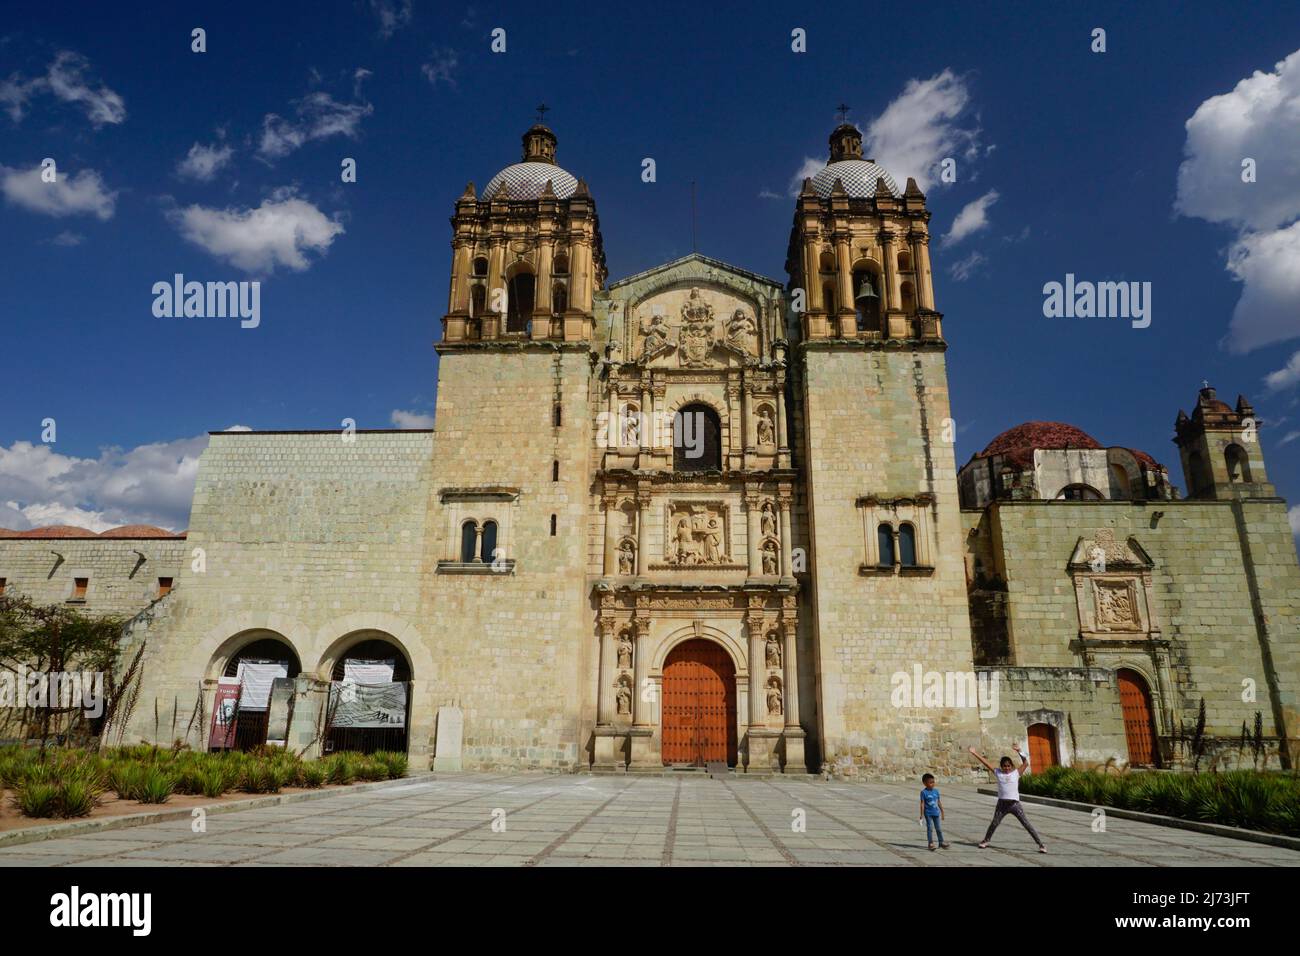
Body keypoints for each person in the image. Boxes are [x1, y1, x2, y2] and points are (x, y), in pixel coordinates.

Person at [968, 744, 1046, 853]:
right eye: (1004, 766)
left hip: (1015, 805)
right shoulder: (998, 773)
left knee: (1026, 824)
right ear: (1001, 766)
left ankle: (1040, 844)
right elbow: (986, 763)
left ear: (1012, 766)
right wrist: (974, 753)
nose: (1007, 768)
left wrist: (1019, 751)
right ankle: (986, 840)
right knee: (994, 823)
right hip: (1002, 805)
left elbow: (1026, 763)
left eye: (1009, 766)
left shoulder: (1016, 773)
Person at [918, 773, 948, 850]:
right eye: (930, 782)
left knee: (938, 829)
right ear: (925, 783)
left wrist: (942, 812)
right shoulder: (923, 792)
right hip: (928, 813)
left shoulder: (936, 791)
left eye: (933, 782)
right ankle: (930, 843)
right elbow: (922, 804)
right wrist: (921, 815)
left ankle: (941, 842)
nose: (932, 784)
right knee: (930, 828)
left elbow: (938, 802)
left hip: (936, 813)